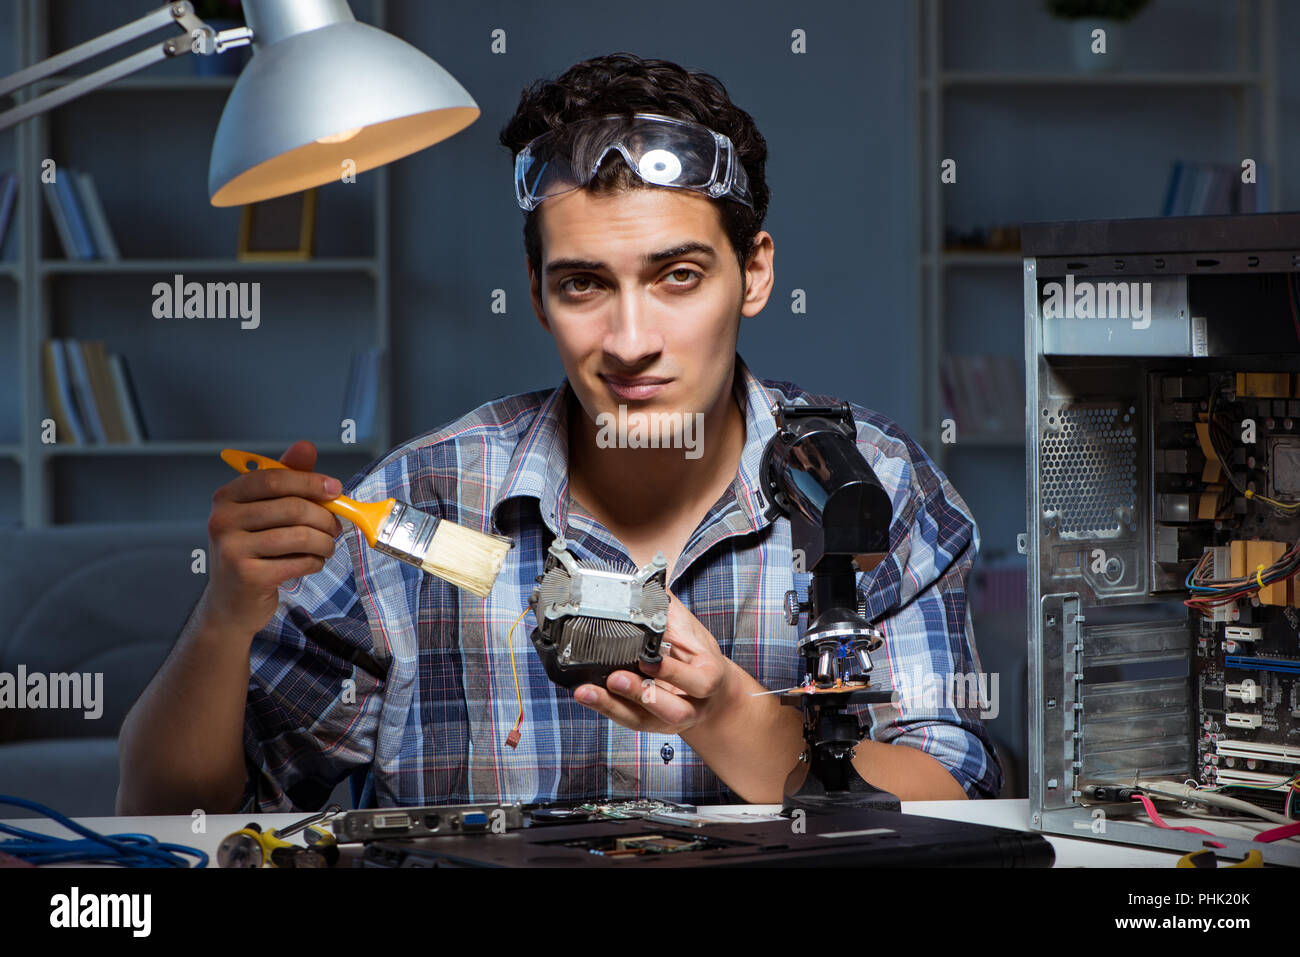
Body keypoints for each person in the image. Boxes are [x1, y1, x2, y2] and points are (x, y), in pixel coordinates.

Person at [116, 52, 1001, 815]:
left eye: (678, 276)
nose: (630, 339)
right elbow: (172, 819)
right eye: (584, 284)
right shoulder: (421, 499)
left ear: (755, 273)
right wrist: (223, 620)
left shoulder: (869, 484)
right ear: (538, 295)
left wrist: (732, 716)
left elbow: (958, 800)